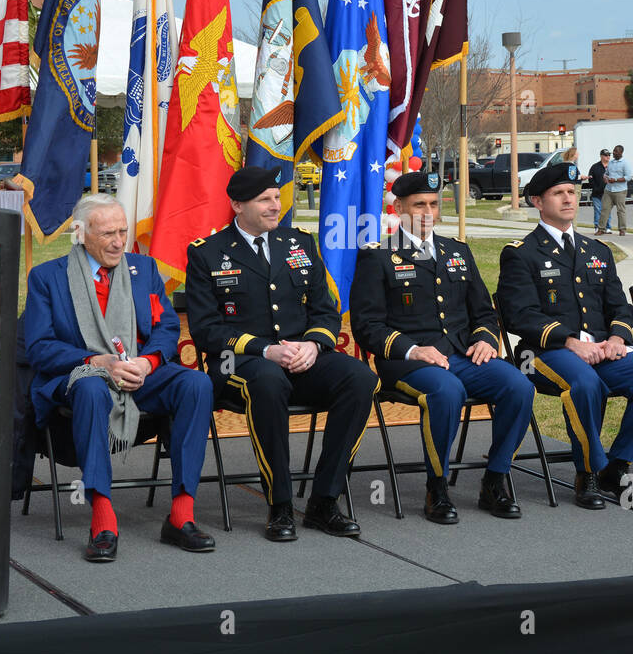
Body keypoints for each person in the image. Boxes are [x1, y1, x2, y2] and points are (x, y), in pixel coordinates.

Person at [185, 165, 379, 542]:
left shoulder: (299, 243)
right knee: (269, 381)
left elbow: (324, 309)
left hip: (301, 357)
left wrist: (313, 344)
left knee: (360, 378)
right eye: (265, 200)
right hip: (237, 364)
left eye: (277, 197)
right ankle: (281, 503)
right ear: (237, 205)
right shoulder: (208, 253)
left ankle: (325, 499)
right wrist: (264, 349)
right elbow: (207, 330)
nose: (276, 206)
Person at [25, 195, 216, 562]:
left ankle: (182, 514)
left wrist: (147, 362)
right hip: (80, 378)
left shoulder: (144, 272)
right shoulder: (48, 278)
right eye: (109, 233)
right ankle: (103, 517)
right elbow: (39, 346)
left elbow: (165, 327)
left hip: (140, 373)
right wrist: (96, 360)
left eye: (124, 232)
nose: (119, 242)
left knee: (197, 384)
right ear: (80, 233)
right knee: (92, 385)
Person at [352, 171, 536, 523]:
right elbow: (367, 327)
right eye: (418, 204)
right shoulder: (377, 257)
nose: (427, 212)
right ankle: (437, 486)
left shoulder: (458, 251)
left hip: (461, 354)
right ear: (398, 207)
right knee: (447, 391)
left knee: (519, 386)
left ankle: (495, 479)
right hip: (407, 362)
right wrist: (412, 349)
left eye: (434, 204)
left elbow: (483, 311)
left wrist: (484, 338)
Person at [498, 163, 633, 508]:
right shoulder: (521, 252)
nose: (568, 198)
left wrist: (618, 339)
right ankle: (588, 472)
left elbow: (619, 308)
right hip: (538, 355)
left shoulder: (598, 251)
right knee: (586, 383)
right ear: (538, 201)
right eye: (558, 193)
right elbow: (519, 315)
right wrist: (570, 341)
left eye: (572, 192)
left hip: (600, 350)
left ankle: (618, 465)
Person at [598, 144, 630, 235]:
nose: (614, 153)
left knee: (621, 211)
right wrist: (605, 177)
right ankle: (601, 229)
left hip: (620, 190)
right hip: (608, 190)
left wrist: (615, 180)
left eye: (616, 151)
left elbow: (628, 177)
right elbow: (606, 173)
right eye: (614, 151)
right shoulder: (611, 163)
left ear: (621, 152)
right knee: (604, 209)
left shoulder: (625, 163)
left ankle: (622, 229)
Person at [587, 148, 609, 233]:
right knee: (597, 210)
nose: (608, 157)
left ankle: (607, 227)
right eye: (606, 155)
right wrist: (595, 188)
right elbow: (590, 178)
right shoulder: (595, 167)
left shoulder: (611, 166)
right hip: (597, 193)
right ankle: (597, 227)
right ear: (601, 156)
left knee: (607, 211)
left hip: (608, 193)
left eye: (608, 155)